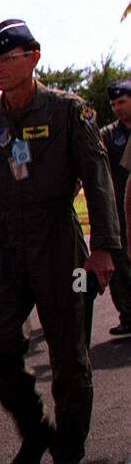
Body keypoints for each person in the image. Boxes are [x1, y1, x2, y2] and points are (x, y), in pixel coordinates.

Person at [0, 19, 121, 464]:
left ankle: (68, 460)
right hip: (5, 242)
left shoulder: (71, 111)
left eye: (7, 59)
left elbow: (98, 178)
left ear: (33, 57)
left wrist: (103, 248)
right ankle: (36, 429)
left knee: (69, 359)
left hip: (59, 243)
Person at [100, 79, 131, 335]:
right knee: (120, 266)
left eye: (122, 102)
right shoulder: (108, 135)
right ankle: (128, 316)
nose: (117, 108)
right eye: (113, 104)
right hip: (120, 210)